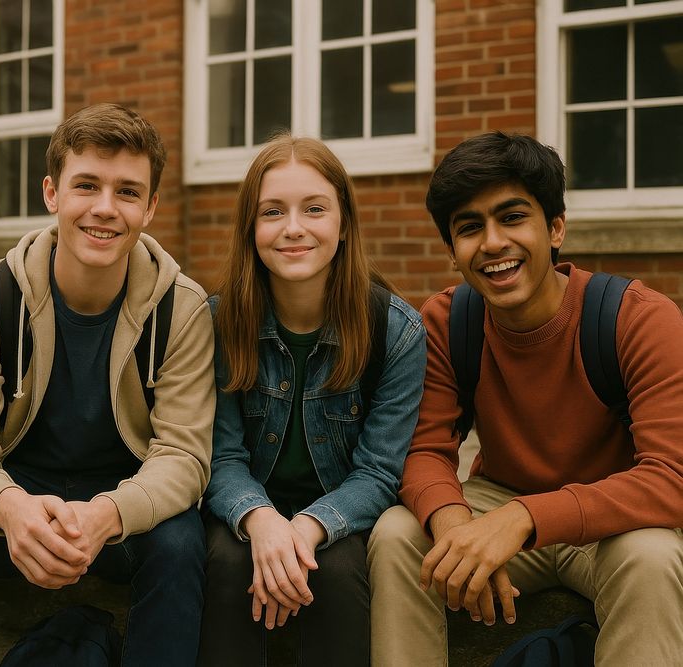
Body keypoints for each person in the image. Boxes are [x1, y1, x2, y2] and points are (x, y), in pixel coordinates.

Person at [0, 103, 215, 666]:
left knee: (182, 542)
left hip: (125, 493)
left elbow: (185, 457)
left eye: (127, 192)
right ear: (51, 192)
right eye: (86, 185)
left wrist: (108, 514)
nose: (104, 208)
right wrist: (11, 508)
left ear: (151, 206)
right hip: (20, 486)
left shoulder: (182, 307)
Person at [368, 131, 683, 665]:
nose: (492, 243)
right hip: (499, 501)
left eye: (512, 218)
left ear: (556, 227)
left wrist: (521, 518)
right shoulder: (448, 322)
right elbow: (422, 451)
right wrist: (456, 530)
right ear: (452, 252)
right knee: (399, 532)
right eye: (470, 228)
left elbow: (671, 476)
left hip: (611, 524)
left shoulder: (639, 319)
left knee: (653, 557)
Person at [197, 134, 426, 666]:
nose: (293, 228)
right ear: (251, 230)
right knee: (227, 563)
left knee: (340, 572)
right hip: (243, 509)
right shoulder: (216, 322)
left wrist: (303, 527)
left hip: (340, 511)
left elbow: (378, 472)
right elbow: (219, 455)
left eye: (315, 209)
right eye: (272, 211)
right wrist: (262, 519)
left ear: (343, 224)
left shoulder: (395, 330)